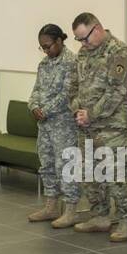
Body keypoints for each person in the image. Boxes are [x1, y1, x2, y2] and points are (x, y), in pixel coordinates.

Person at [69, 12, 127, 241]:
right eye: (78, 40)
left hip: (113, 127)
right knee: (89, 173)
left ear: (97, 28)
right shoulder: (83, 53)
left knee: (116, 176)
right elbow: (73, 85)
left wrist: (92, 114)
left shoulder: (119, 52)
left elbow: (116, 93)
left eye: (85, 38)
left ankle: (126, 221)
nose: (82, 44)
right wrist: (76, 109)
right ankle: (100, 216)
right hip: (85, 125)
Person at [26, 23, 81, 227]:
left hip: (64, 125)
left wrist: (45, 110)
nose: (46, 50)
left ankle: (71, 210)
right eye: (42, 47)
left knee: (67, 166)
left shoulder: (72, 62)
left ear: (59, 41)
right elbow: (36, 90)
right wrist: (33, 106)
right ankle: (50, 207)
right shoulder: (44, 64)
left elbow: (67, 94)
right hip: (45, 125)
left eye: (48, 46)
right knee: (47, 164)